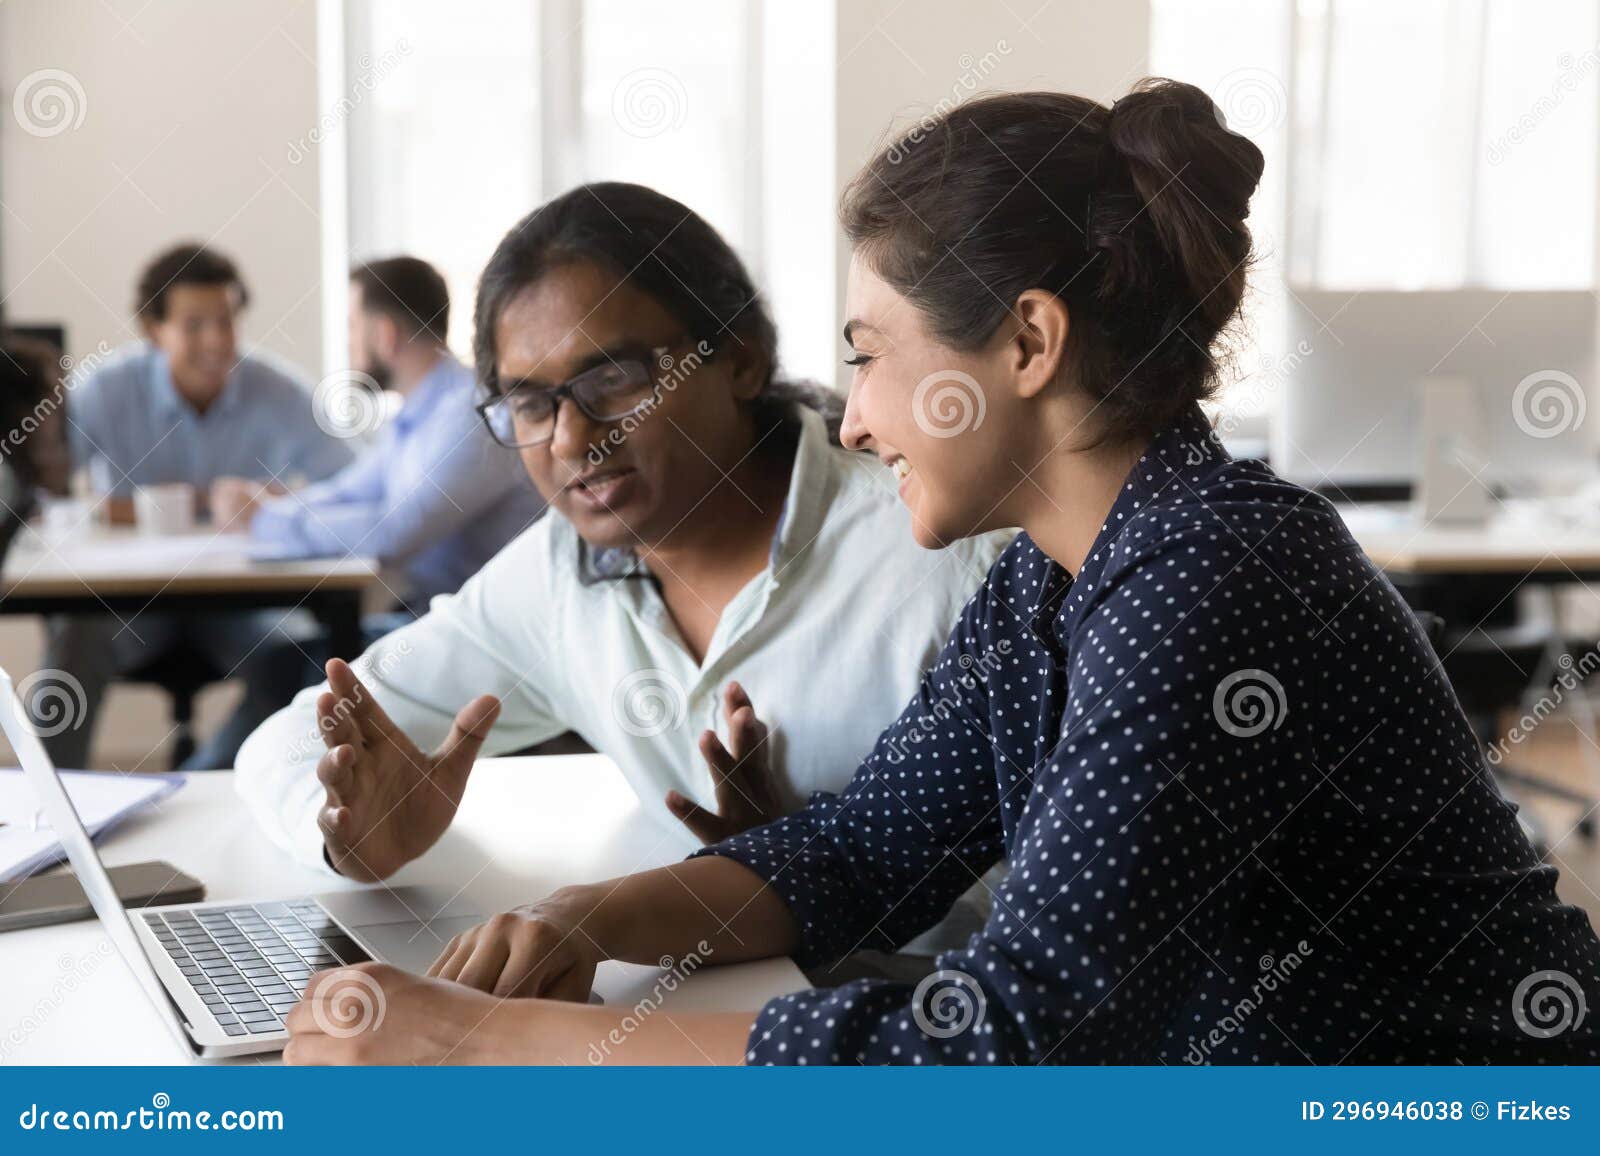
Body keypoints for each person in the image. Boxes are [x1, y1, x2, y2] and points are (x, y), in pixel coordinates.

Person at [281, 81, 1600, 1066]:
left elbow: (1013, 1045)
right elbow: (860, 849)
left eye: (870, 355)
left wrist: (482, 1041)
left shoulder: (1209, 578)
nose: (852, 420)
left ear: (1026, 343)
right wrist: (589, 917)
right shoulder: (1049, 581)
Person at [235, 184, 1009, 911]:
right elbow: (289, 741)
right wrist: (348, 836)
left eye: (612, 380)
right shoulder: (558, 574)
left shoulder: (949, 557)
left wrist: (797, 881)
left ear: (740, 360)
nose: (571, 439)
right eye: (530, 403)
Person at [183, 257, 545, 769]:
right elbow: (353, 489)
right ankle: (214, 785)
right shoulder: (419, 412)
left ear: (385, 334)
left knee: (297, 664)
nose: (349, 342)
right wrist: (275, 503)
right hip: (430, 613)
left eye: (352, 326)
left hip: (483, 637)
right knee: (279, 663)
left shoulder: (470, 415)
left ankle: (203, 786)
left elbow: (394, 532)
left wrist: (263, 520)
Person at [33, 244, 353, 769]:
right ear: (153, 329)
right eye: (195, 325)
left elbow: (352, 486)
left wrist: (276, 501)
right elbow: (47, 492)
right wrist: (117, 511)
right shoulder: (106, 390)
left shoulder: (279, 391)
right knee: (75, 636)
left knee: (303, 652)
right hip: (132, 605)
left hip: (242, 604)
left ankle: (204, 779)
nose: (217, 341)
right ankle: (51, 800)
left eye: (227, 321)